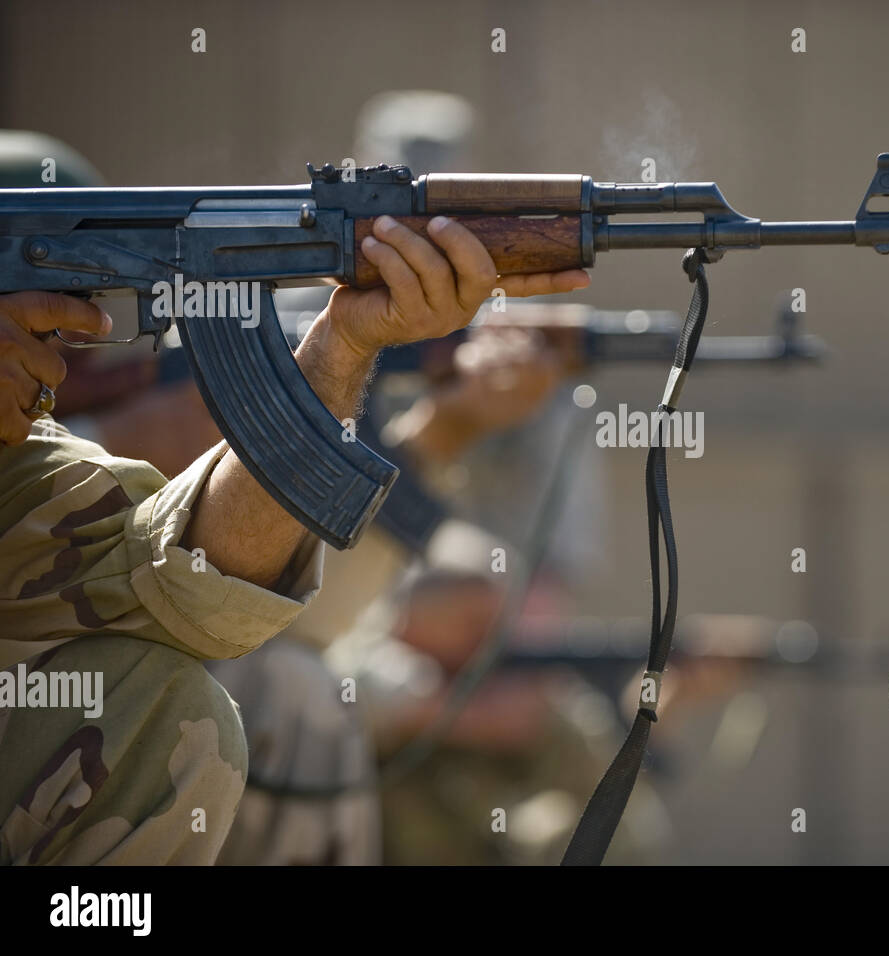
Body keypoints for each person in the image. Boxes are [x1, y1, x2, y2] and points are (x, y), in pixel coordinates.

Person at [0, 212, 590, 864]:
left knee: (247, 685)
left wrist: (347, 349)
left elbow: (204, 595)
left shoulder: (41, 478)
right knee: (290, 691)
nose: (90, 341)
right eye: (62, 314)